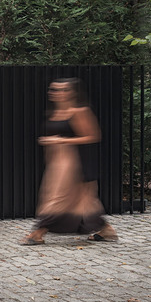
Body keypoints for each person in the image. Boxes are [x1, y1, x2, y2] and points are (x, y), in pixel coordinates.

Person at [20, 77, 117, 245]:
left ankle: (37, 233)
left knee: (58, 198)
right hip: (56, 161)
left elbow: (93, 136)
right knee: (81, 202)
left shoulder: (79, 111)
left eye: (63, 90)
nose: (57, 93)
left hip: (73, 161)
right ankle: (106, 229)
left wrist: (61, 140)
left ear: (72, 93)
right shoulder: (55, 113)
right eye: (54, 89)